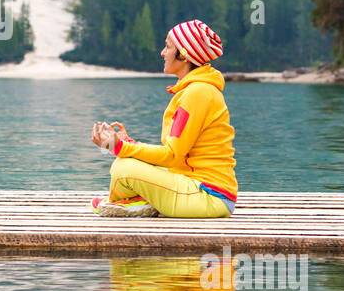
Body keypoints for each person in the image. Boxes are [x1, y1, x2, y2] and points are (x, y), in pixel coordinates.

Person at [90, 19, 237, 218]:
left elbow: (172, 155)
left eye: (168, 46)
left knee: (123, 167)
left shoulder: (198, 93)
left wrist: (120, 148)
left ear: (184, 55)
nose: (162, 52)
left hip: (208, 196)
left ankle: (133, 202)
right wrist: (129, 145)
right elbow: (176, 157)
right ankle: (135, 202)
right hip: (194, 186)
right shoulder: (196, 91)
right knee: (125, 162)